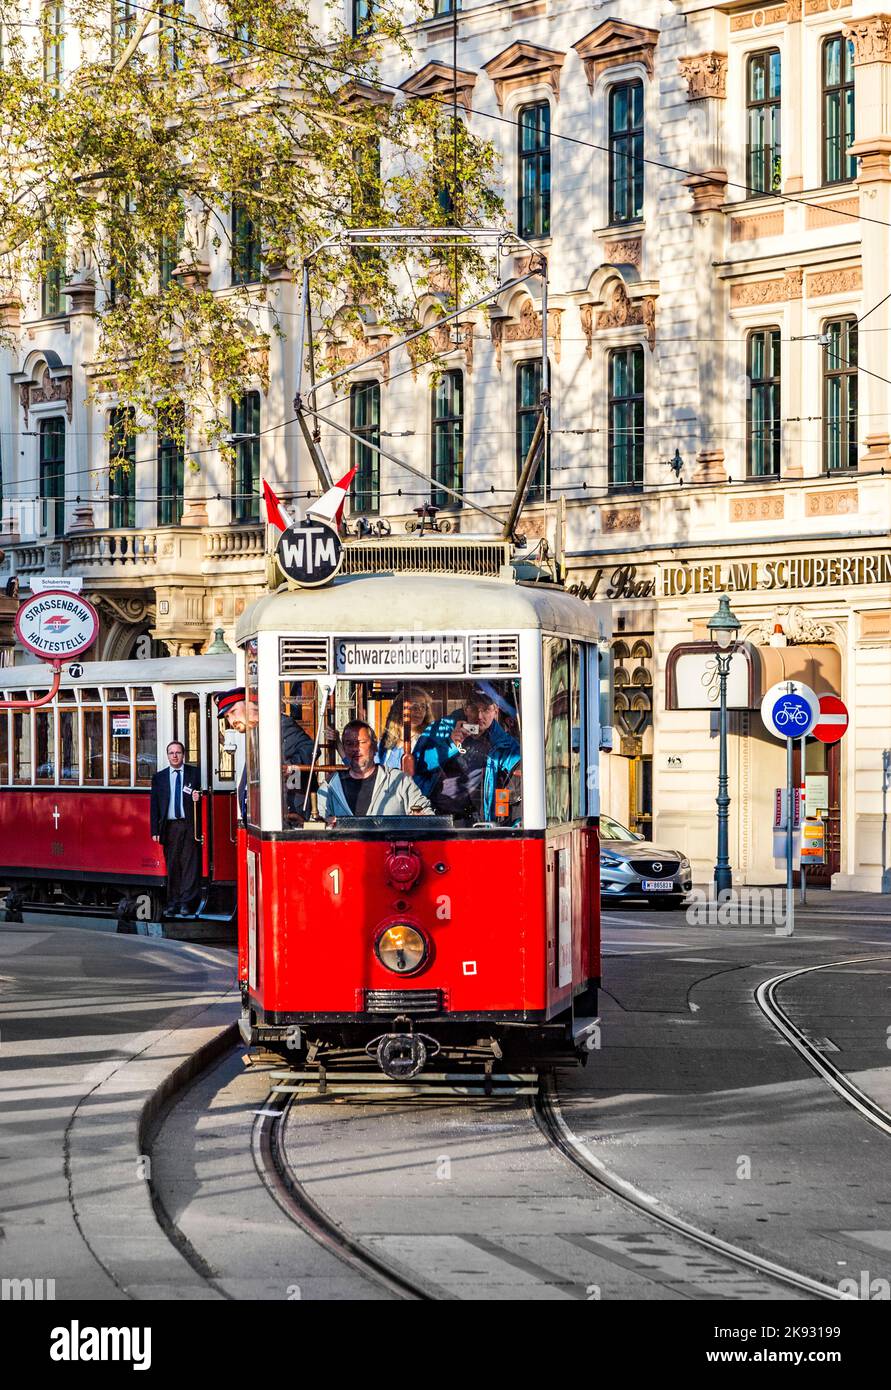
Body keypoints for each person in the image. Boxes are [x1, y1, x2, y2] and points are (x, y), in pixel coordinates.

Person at [414, 689, 521, 824]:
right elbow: (420, 765)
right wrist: (450, 744)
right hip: (436, 815)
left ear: (496, 711)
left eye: (486, 710)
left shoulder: (503, 743)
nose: (480, 716)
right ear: (466, 709)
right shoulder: (442, 730)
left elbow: (517, 776)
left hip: (479, 820)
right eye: (475, 709)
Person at [216, 686, 319, 821]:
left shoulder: (279, 724)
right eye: (227, 717)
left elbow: (311, 748)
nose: (231, 721)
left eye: (234, 712)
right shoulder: (256, 731)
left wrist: (289, 767)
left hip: (288, 811)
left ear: (249, 705)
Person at [318, 720, 433, 820]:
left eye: (361, 743)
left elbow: (426, 815)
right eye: (349, 743)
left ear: (374, 746)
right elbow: (316, 826)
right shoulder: (330, 786)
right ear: (344, 748)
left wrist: (420, 819)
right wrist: (325, 824)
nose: (355, 748)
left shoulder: (399, 780)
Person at [150, 740, 201, 916]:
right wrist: (154, 831)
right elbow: (154, 805)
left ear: (183, 754)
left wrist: (197, 797)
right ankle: (173, 902)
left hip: (188, 825)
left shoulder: (194, 774)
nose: (174, 755)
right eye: (171, 753)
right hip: (170, 827)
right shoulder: (160, 777)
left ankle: (187, 902)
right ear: (167, 755)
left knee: (189, 865)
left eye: (177, 752)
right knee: (172, 866)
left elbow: (201, 797)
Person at [377, 686, 435, 775]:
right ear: (400, 709)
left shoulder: (428, 741)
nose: (419, 710)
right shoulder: (384, 743)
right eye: (414, 706)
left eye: (423, 707)